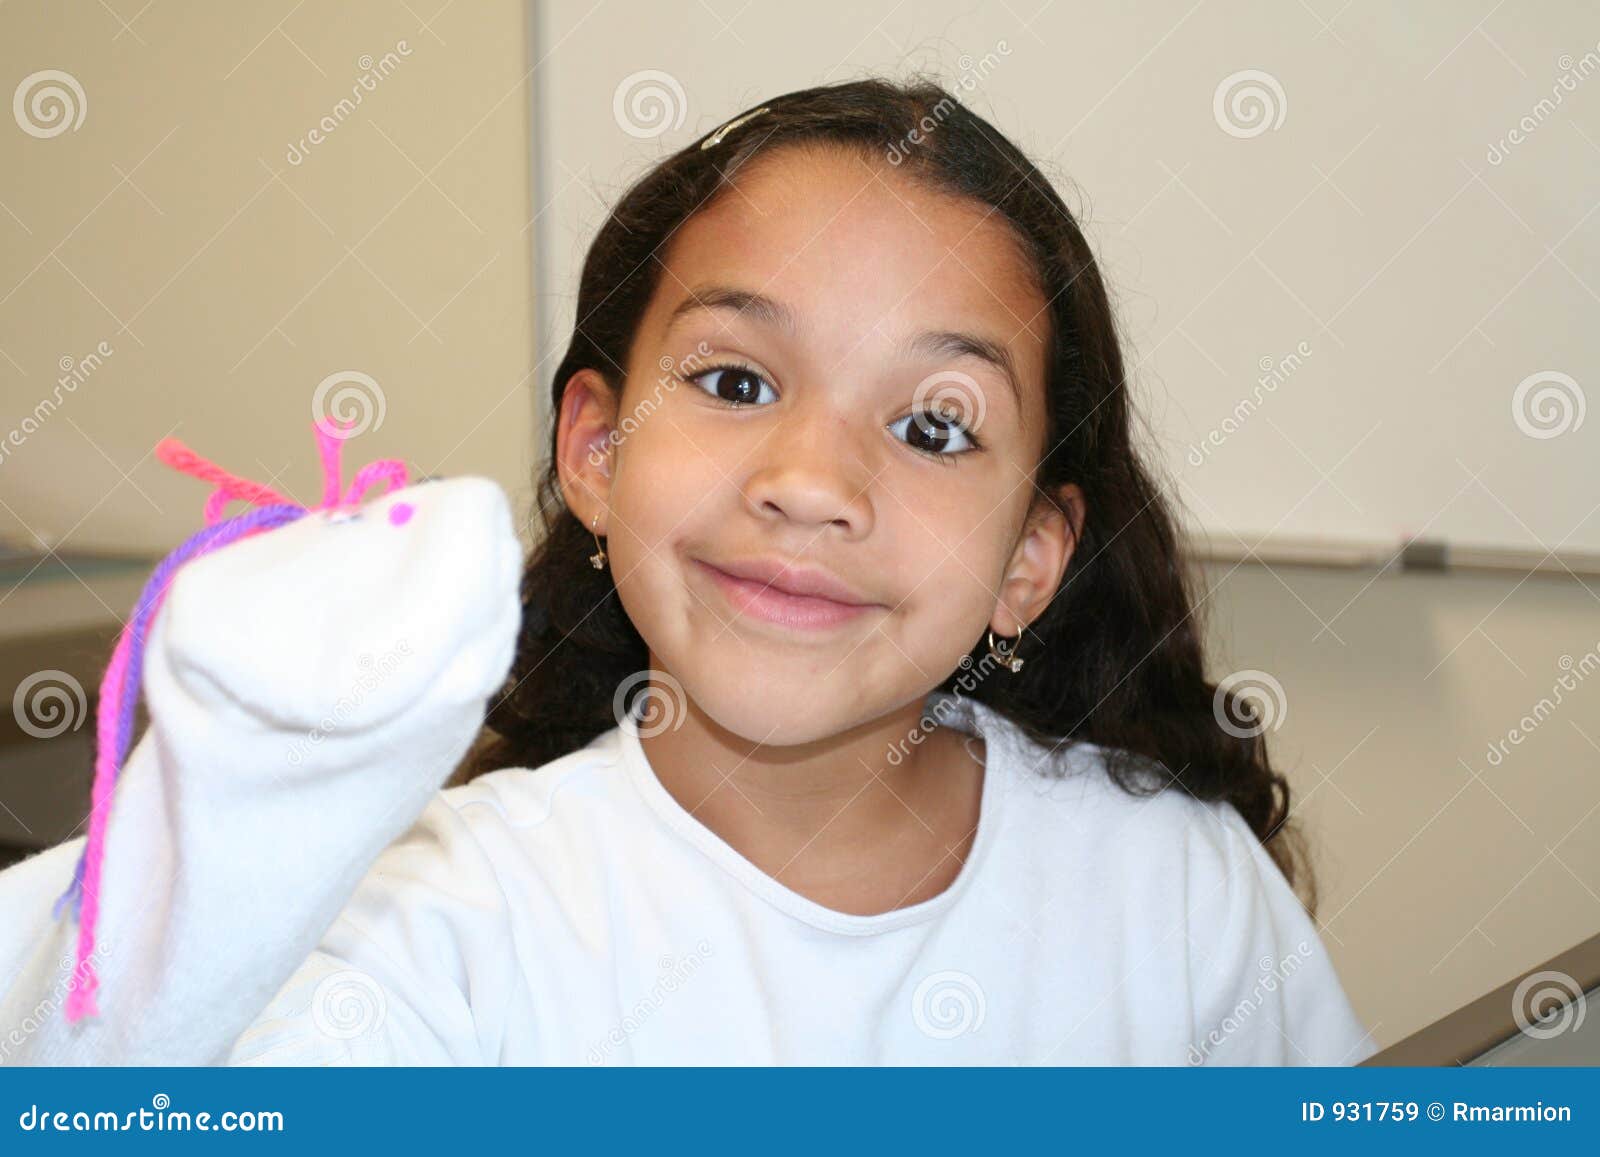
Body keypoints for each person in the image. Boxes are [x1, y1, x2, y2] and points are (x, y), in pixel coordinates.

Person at [0, 78, 1376, 1066]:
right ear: (598, 451)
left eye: (932, 426)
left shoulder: (1174, 887)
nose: (813, 482)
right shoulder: (443, 913)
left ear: (1029, 559)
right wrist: (219, 839)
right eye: (735, 381)